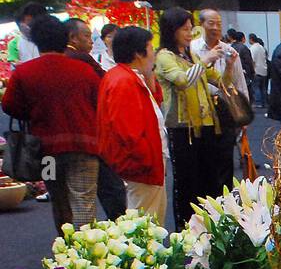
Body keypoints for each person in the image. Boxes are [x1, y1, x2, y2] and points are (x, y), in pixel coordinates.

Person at [2, 14, 102, 232]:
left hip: (46, 152)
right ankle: (88, 254)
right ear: (65, 38)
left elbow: (10, 106)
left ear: (36, 41)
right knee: (84, 201)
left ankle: (65, 250)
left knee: (59, 200)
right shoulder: (84, 70)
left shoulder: (25, 73)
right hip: (84, 147)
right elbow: (100, 102)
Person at [155, 7, 228, 229]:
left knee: (209, 179)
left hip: (206, 125)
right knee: (188, 182)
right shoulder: (165, 56)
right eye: (185, 29)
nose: (189, 34)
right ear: (172, 30)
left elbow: (216, 80)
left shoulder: (191, 55)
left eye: (190, 29)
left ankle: (209, 228)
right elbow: (183, 80)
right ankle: (186, 229)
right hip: (183, 128)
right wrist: (205, 60)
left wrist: (229, 61)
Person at [98, 26, 168, 224]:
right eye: (150, 47)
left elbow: (155, 101)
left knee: (148, 220)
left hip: (146, 164)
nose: (154, 52)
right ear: (139, 53)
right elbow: (129, 133)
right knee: (145, 224)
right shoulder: (124, 81)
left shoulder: (126, 76)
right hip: (143, 167)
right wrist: (147, 161)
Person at [64, 17, 127, 220]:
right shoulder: (83, 61)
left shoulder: (58, 61)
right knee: (105, 191)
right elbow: (105, 87)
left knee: (65, 197)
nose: (91, 41)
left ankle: (72, 244)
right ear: (72, 38)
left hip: (56, 146)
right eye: (86, 36)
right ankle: (117, 233)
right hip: (91, 137)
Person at [191, 9, 247, 193]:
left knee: (225, 160)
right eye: (211, 23)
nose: (216, 28)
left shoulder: (229, 51)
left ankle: (224, 204)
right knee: (204, 161)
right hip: (202, 112)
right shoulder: (193, 50)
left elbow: (239, 83)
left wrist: (243, 116)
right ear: (201, 25)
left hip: (225, 110)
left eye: (219, 24)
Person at [248, 34, 268, 107]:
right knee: (263, 88)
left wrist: (252, 71)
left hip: (257, 70)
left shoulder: (253, 48)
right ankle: (264, 103)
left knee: (256, 88)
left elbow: (252, 60)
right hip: (264, 70)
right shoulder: (262, 47)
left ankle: (258, 103)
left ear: (251, 39)